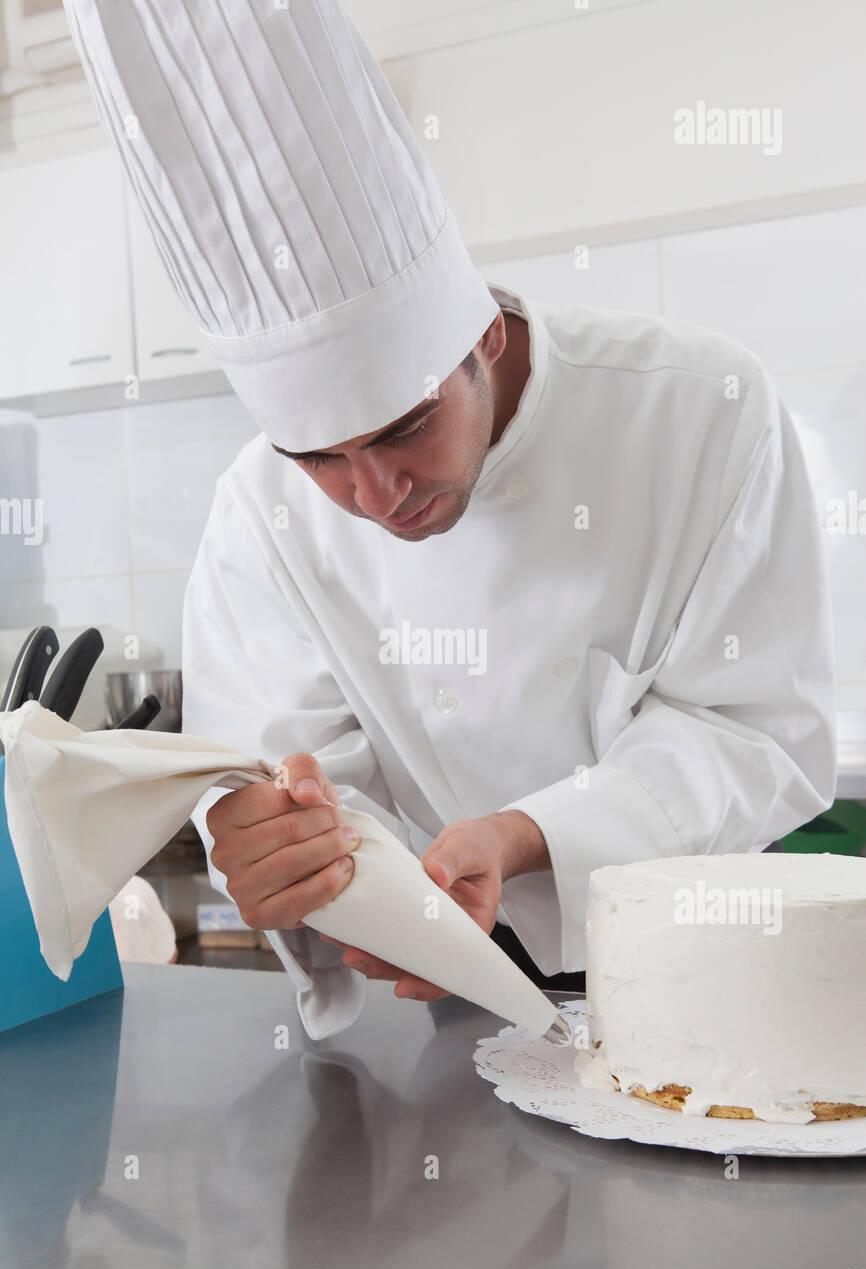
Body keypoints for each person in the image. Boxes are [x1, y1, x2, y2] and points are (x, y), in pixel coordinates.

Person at [66, 0, 835, 1035]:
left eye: (404, 429)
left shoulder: (700, 408)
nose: (374, 494)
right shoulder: (258, 511)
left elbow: (757, 732)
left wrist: (524, 835)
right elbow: (281, 775)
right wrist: (304, 863)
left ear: (484, 334)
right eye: (320, 458)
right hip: (453, 984)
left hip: (706, 962)